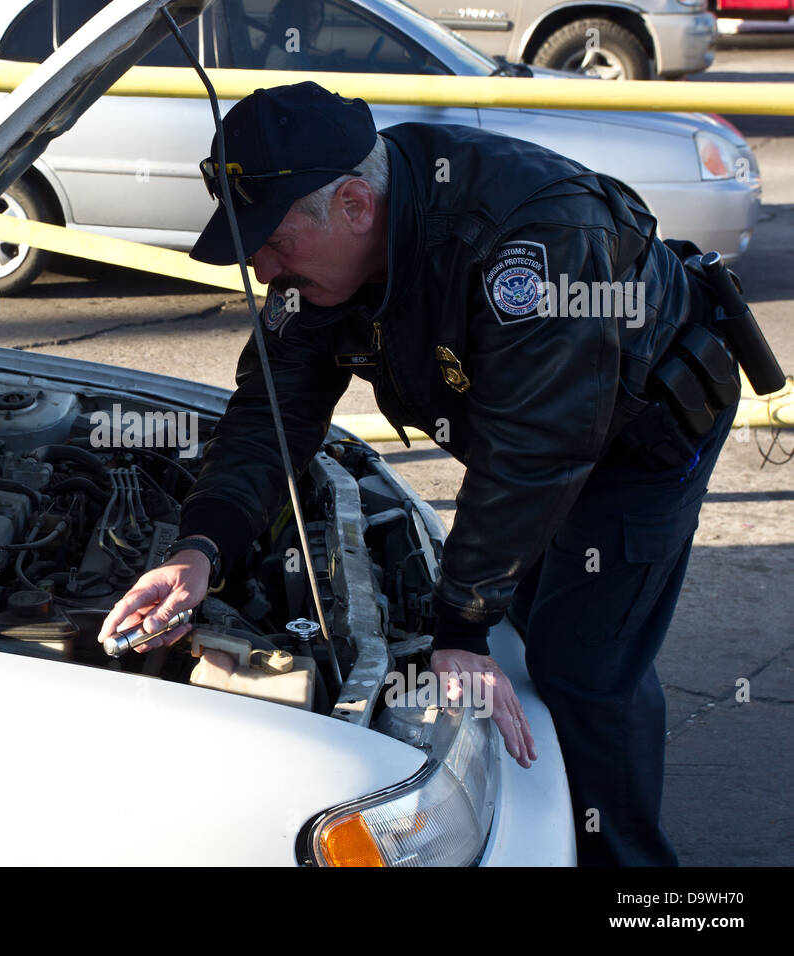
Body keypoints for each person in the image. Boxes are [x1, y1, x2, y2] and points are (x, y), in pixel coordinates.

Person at [97, 81, 745, 866]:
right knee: (532, 625)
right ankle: (557, 786)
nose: (262, 268)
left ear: (354, 205)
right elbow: (272, 416)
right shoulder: (325, 263)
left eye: (271, 239)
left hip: (641, 438)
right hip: (533, 435)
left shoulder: (532, 237)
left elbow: (536, 447)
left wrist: (461, 628)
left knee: (584, 668)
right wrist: (199, 549)